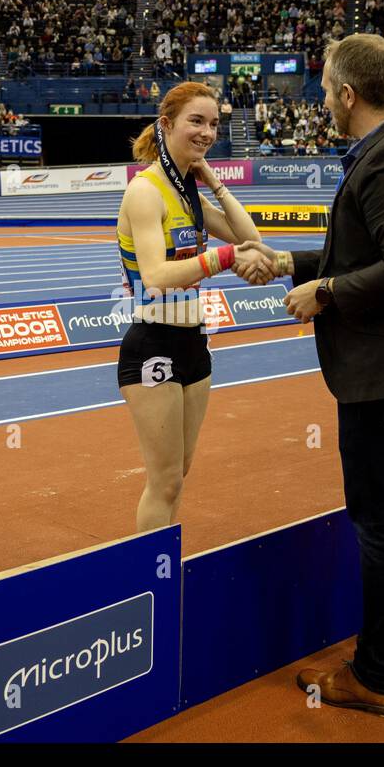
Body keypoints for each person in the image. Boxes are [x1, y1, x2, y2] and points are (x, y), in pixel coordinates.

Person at [243, 33, 384, 717]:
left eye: (324, 91)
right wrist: (293, 265)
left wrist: (327, 292)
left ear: (348, 93)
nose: (322, 102)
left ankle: (376, 675)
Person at [117, 82, 273, 534]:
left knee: (177, 475)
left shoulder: (187, 192)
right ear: (166, 125)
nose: (207, 132)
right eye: (196, 121)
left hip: (194, 344)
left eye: (214, 124)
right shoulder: (146, 192)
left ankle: (160, 562)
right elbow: (155, 276)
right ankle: (151, 574)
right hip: (154, 345)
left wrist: (214, 182)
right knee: (163, 482)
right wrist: (224, 258)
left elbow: (251, 238)